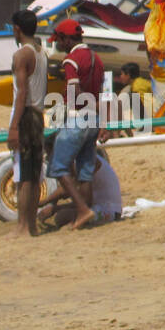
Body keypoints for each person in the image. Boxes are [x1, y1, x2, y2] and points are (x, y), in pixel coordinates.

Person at [46, 18, 104, 230]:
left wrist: (69, 107)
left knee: (59, 167)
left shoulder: (71, 60)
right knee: (85, 170)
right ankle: (85, 214)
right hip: (93, 119)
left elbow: (74, 91)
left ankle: (82, 209)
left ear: (66, 39)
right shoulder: (96, 58)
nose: (58, 45)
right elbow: (101, 93)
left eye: (59, 41)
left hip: (77, 118)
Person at [6, 9, 48, 237]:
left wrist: (13, 127)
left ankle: (22, 227)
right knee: (33, 173)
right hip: (38, 113)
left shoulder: (22, 55)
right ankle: (30, 225)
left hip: (27, 115)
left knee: (24, 175)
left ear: (17, 29)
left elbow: (21, 93)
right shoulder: (42, 52)